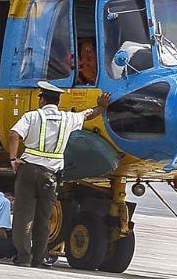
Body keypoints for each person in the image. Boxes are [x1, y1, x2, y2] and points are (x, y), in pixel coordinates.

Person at [8, 81, 110, 267]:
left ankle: (23, 258)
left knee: (24, 217)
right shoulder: (67, 118)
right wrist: (102, 106)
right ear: (58, 101)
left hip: (28, 170)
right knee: (44, 219)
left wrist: (13, 159)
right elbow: (88, 114)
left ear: (42, 99)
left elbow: (14, 134)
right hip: (50, 176)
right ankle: (38, 259)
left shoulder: (32, 116)